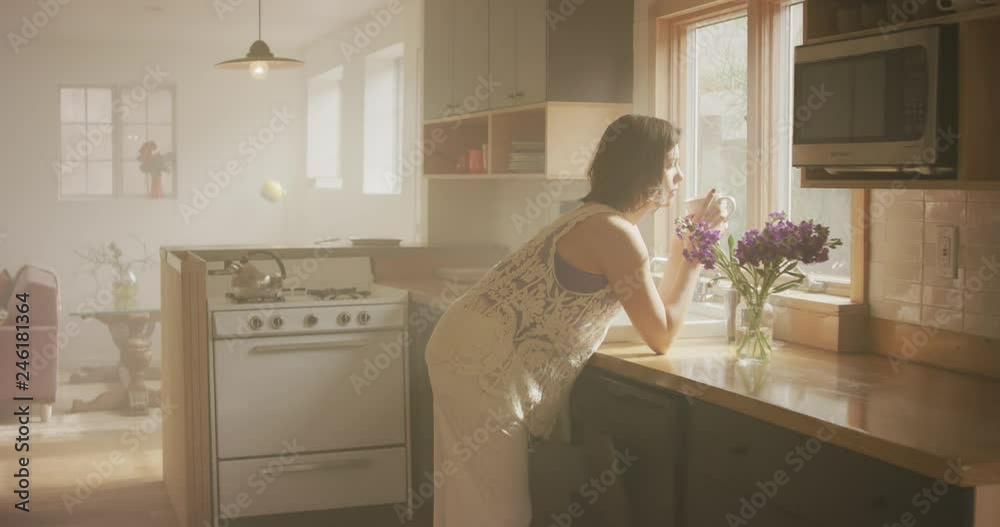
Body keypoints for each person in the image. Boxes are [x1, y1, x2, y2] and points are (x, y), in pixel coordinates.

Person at [424, 114, 729, 526]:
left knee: (469, 496)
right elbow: (662, 335)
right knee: (497, 509)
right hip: (482, 363)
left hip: (464, 345)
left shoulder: (594, 217)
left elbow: (656, 318)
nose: (679, 175)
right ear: (642, 170)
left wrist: (688, 249)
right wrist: (694, 249)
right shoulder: (615, 232)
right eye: (671, 163)